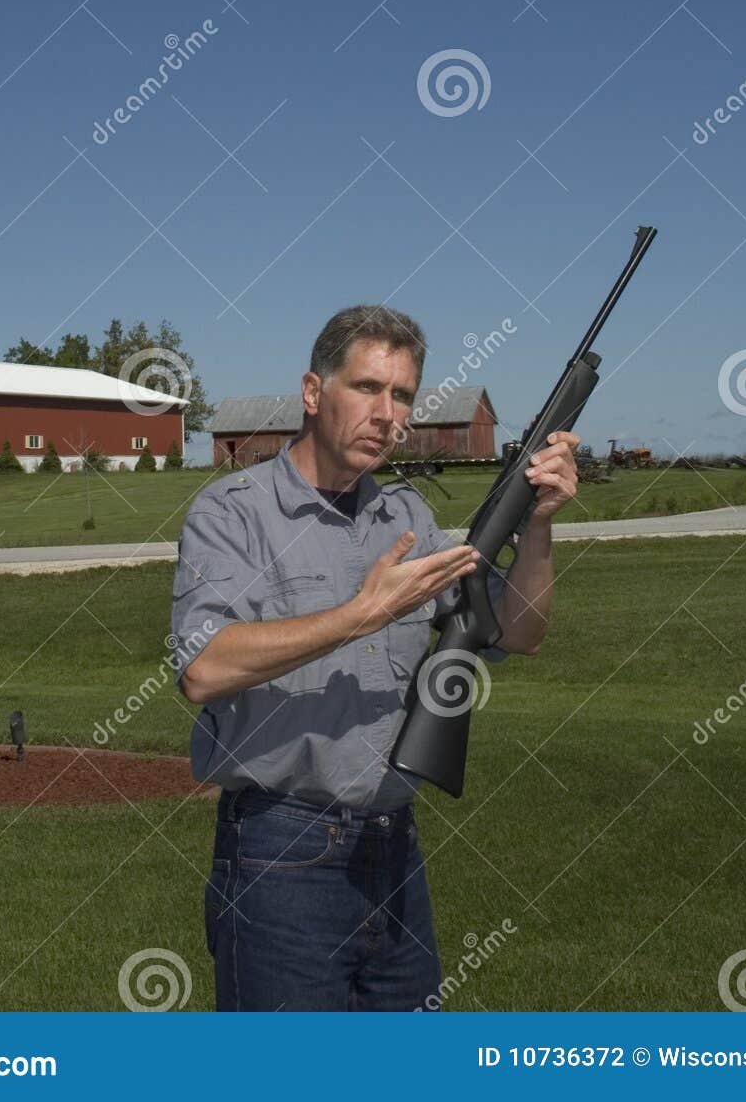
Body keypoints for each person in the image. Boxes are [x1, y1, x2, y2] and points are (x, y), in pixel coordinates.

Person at [169, 303, 578, 1012]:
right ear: (312, 392)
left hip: (394, 854)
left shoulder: (407, 519)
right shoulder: (233, 511)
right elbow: (203, 668)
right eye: (366, 388)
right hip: (279, 855)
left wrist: (537, 528)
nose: (387, 413)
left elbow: (519, 632)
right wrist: (363, 613)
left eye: (402, 396)